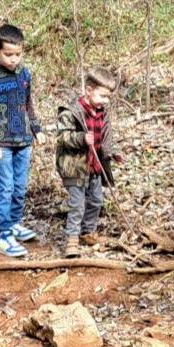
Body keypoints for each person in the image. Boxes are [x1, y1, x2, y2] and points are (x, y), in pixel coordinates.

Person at [0, 22, 42, 258]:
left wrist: (36, 129)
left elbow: (28, 104)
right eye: (8, 54)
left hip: (23, 139)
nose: (14, 59)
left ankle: (15, 222)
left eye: (18, 54)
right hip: (1, 144)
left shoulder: (24, 73)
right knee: (5, 188)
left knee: (20, 187)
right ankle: (4, 234)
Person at [55, 68, 122, 257]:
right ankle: (72, 240)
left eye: (108, 97)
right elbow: (62, 137)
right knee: (77, 204)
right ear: (89, 90)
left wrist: (112, 153)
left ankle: (88, 231)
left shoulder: (103, 111)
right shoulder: (71, 112)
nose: (106, 101)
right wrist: (82, 138)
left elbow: (106, 136)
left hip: (95, 165)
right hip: (74, 166)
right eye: (102, 96)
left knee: (96, 200)